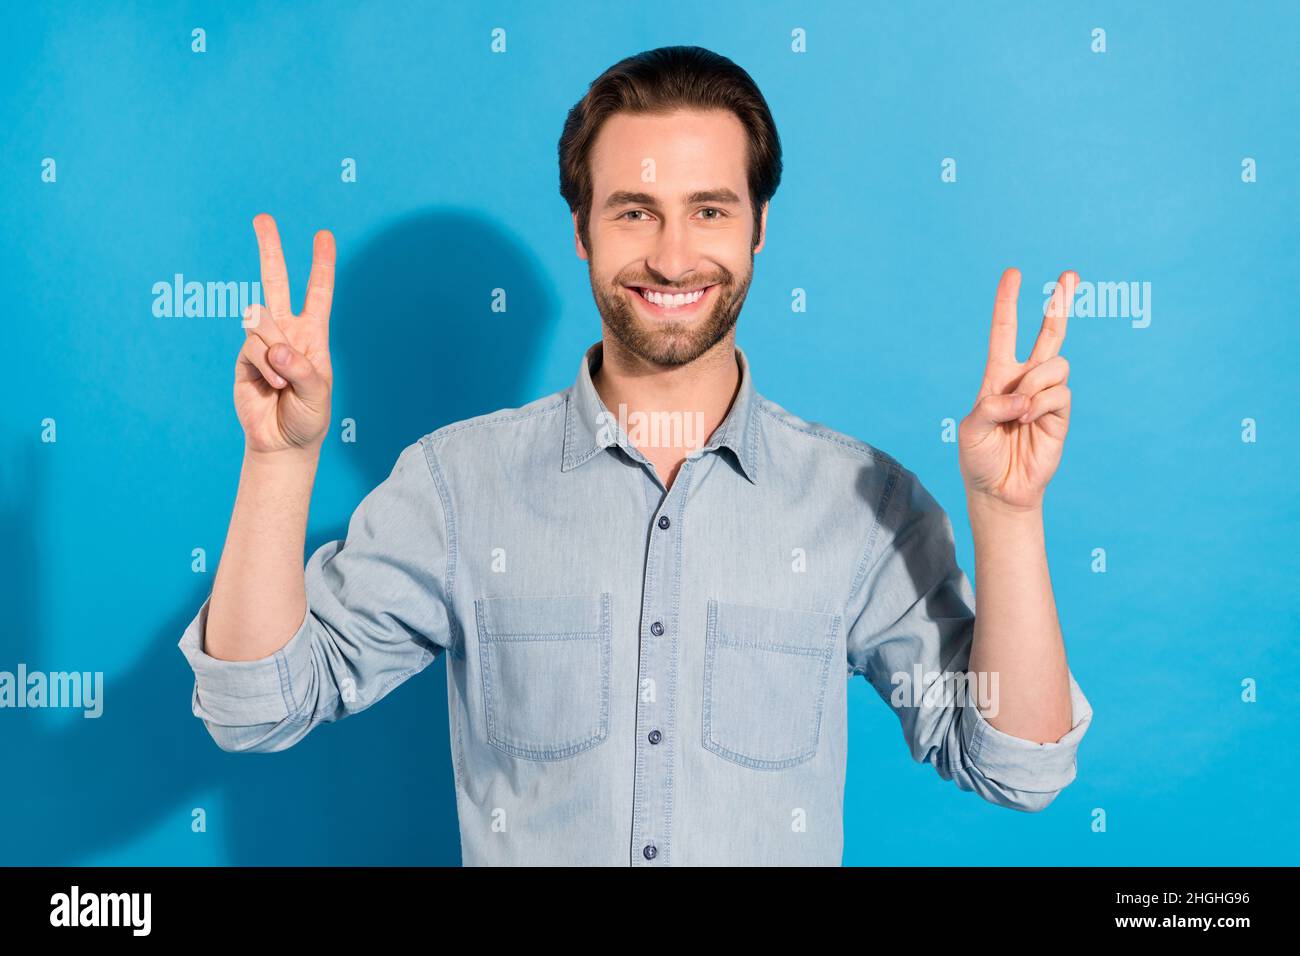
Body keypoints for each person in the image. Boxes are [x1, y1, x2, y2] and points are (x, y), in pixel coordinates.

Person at [178, 45, 1093, 866]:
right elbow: (255, 710)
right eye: (633, 212)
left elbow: (1016, 766)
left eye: (708, 209)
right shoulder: (456, 488)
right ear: (582, 233)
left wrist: (1010, 517)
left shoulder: (863, 502)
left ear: (757, 228)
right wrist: (278, 463)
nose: (672, 255)